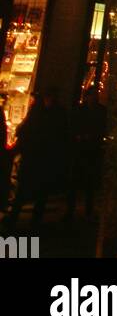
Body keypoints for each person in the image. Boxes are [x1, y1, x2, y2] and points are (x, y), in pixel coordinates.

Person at [4, 89, 70, 230]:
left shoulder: (37, 114)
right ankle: (34, 220)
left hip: (33, 158)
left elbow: (23, 130)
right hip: (44, 158)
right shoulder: (56, 115)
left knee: (24, 191)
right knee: (40, 192)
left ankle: (14, 218)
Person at [67, 89, 106, 220]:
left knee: (89, 183)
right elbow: (72, 126)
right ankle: (71, 210)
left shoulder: (100, 111)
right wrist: (78, 136)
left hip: (92, 150)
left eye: (95, 96)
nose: (93, 98)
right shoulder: (80, 110)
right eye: (92, 96)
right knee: (75, 182)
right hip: (81, 149)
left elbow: (102, 127)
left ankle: (87, 210)